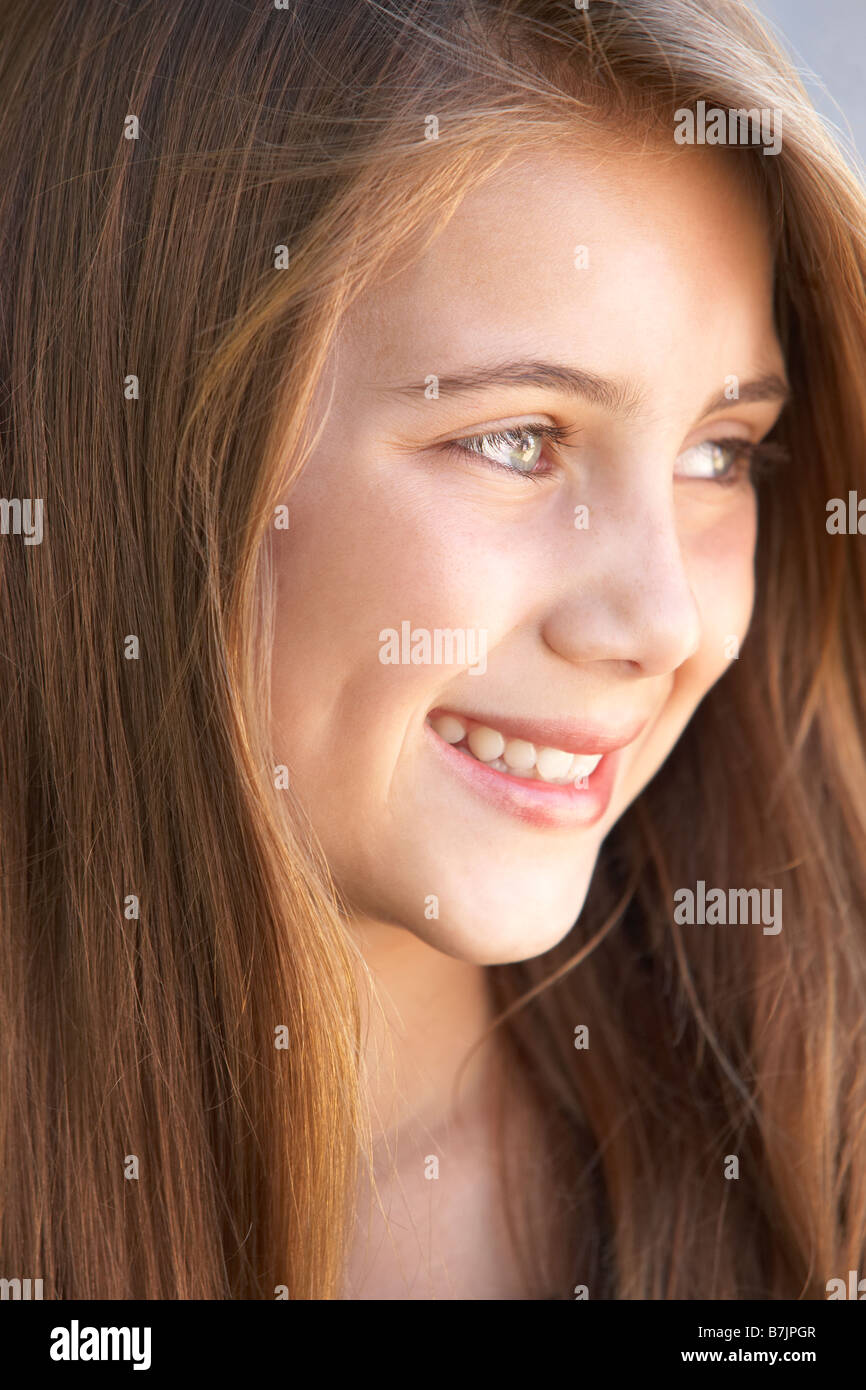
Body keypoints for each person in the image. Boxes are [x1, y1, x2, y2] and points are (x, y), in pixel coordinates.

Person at [0, 0, 864, 1300]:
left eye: (718, 453)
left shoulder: (825, 1159)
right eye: (518, 438)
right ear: (137, 453)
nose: (662, 624)